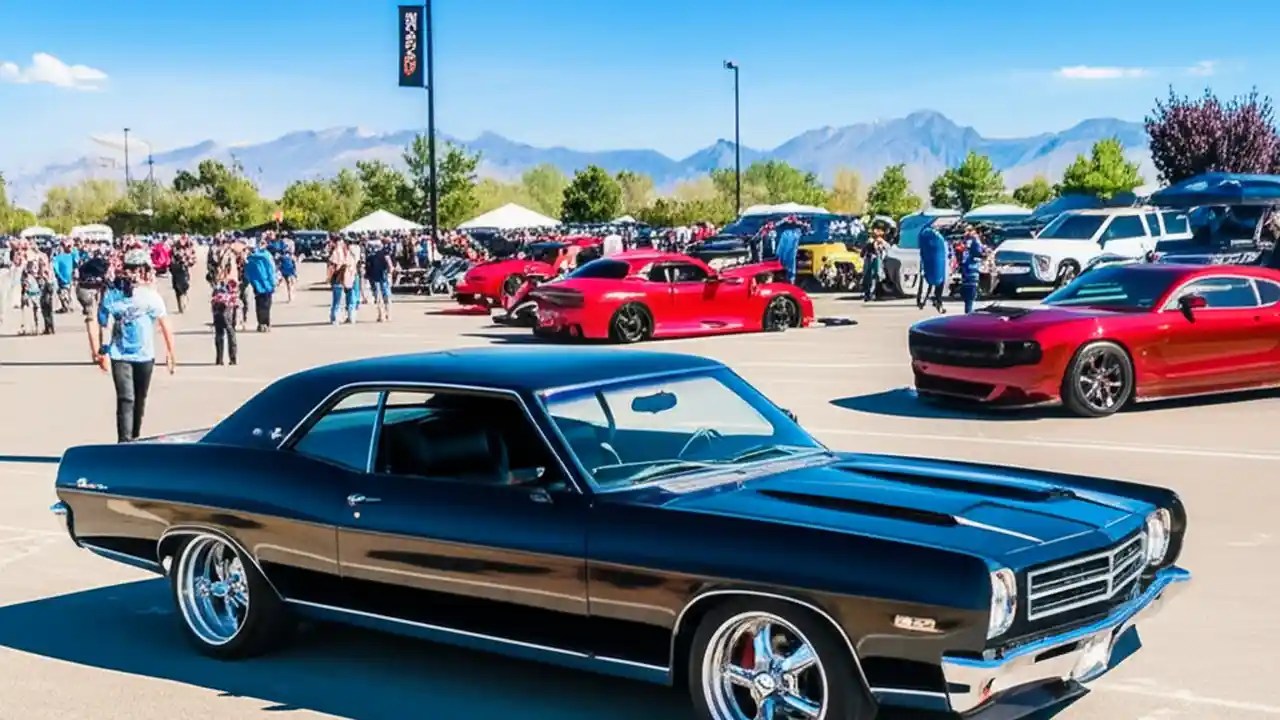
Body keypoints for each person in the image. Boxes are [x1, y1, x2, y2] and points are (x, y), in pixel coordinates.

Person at [92, 249, 176, 443]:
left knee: (139, 399)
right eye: (130, 269)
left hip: (145, 355)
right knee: (126, 398)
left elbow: (164, 323)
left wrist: (171, 352)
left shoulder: (151, 296)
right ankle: (124, 442)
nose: (134, 274)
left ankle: (135, 438)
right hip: (119, 354)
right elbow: (103, 323)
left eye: (139, 270)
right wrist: (101, 351)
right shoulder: (113, 294)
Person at [243, 241, 277, 332]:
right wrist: (274, 282)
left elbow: (247, 272)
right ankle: (266, 323)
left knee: (259, 304)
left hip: (256, 284)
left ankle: (261, 323)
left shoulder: (249, 259)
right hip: (267, 283)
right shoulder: (266, 256)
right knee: (267, 305)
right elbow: (271, 270)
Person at [917, 223, 950, 313]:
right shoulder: (937, 238)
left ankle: (928, 301)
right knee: (936, 283)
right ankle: (934, 301)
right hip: (937, 264)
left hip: (929, 264)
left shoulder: (925, 235)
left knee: (928, 283)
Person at [958, 224, 988, 314]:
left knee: (968, 293)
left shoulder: (964, 240)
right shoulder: (975, 240)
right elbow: (979, 253)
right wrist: (985, 253)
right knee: (971, 293)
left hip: (965, 269)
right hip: (972, 269)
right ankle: (969, 313)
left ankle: (968, 311)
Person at [327, 236, 357, 324]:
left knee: (337, 299)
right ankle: (350, 316)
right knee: (349, 297)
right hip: (348, 277)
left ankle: (335, 317)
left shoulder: (336, 252)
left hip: (339, 277)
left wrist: (328, 277)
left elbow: (332, 266)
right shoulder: (350, 252)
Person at [210, 277, 239, 365]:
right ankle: (233, 359)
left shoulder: (217, 289)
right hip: (227, 311)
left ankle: (219, 359)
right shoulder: (232, 290)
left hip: (218, 311)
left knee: (219, 334)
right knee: (231, 333)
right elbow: (236, 304)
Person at [364, 239, 393, 322]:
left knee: (379, 296)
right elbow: (390, 265)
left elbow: (367, 268)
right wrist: (390, 274)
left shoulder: (370, 256)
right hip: (382, 277)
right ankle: (387, 314)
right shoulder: (384, 253)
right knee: (385, 296)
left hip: (376, 277)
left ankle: (382, 315)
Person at [861, 221, 890, 301]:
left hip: (877, 258)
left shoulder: (882, 241)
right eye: (876, 229)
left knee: (876, 276)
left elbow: (887, 247)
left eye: (880, 230)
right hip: (869, 258)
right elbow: (864, 250)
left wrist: (881, 243)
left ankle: (872, 293)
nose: (877, 232)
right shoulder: (870, 239)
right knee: (868, 276)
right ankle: (868, 293)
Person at [169, 235, 197, 313]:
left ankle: (184, 298)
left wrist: (189, 261)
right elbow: (174, 256)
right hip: (176, 269)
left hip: (184, 269)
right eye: (182, 239)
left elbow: (193, 258)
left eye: (185, 239)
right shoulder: (174, 247)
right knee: (176, 288)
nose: (183, 241)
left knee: (185, 285)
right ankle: (180, 305)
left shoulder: (189, 247)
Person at [278, 237, 297, 302]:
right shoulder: (287, 256)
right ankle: (290, 296)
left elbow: (279, 264)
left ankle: (290, 295)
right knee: (290, 283)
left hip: (286, 270)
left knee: (289, 283)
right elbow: (293, 264)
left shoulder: (282, 255)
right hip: (288, 270)